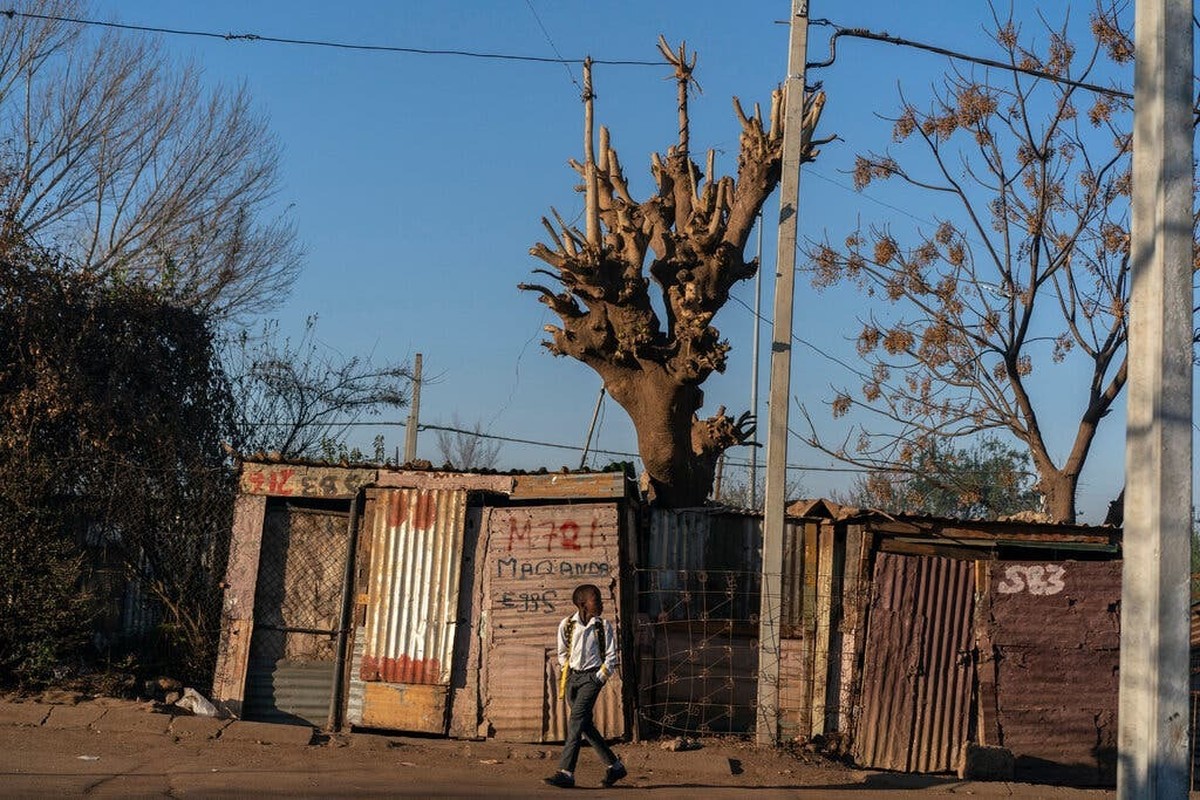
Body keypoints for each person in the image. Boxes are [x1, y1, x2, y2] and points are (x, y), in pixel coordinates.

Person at [543, 583, 627, 789]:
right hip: (572, 679)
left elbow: (611, 657)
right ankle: (615, 767)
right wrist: (567, 671)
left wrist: (598, 678)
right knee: (584, 725)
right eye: (596, 600)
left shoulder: (603, 626)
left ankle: (566, 773)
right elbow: (562, 653)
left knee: (575, 721)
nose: (601, 604)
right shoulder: (566, 625)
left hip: (592, 679)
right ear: (582, 604)